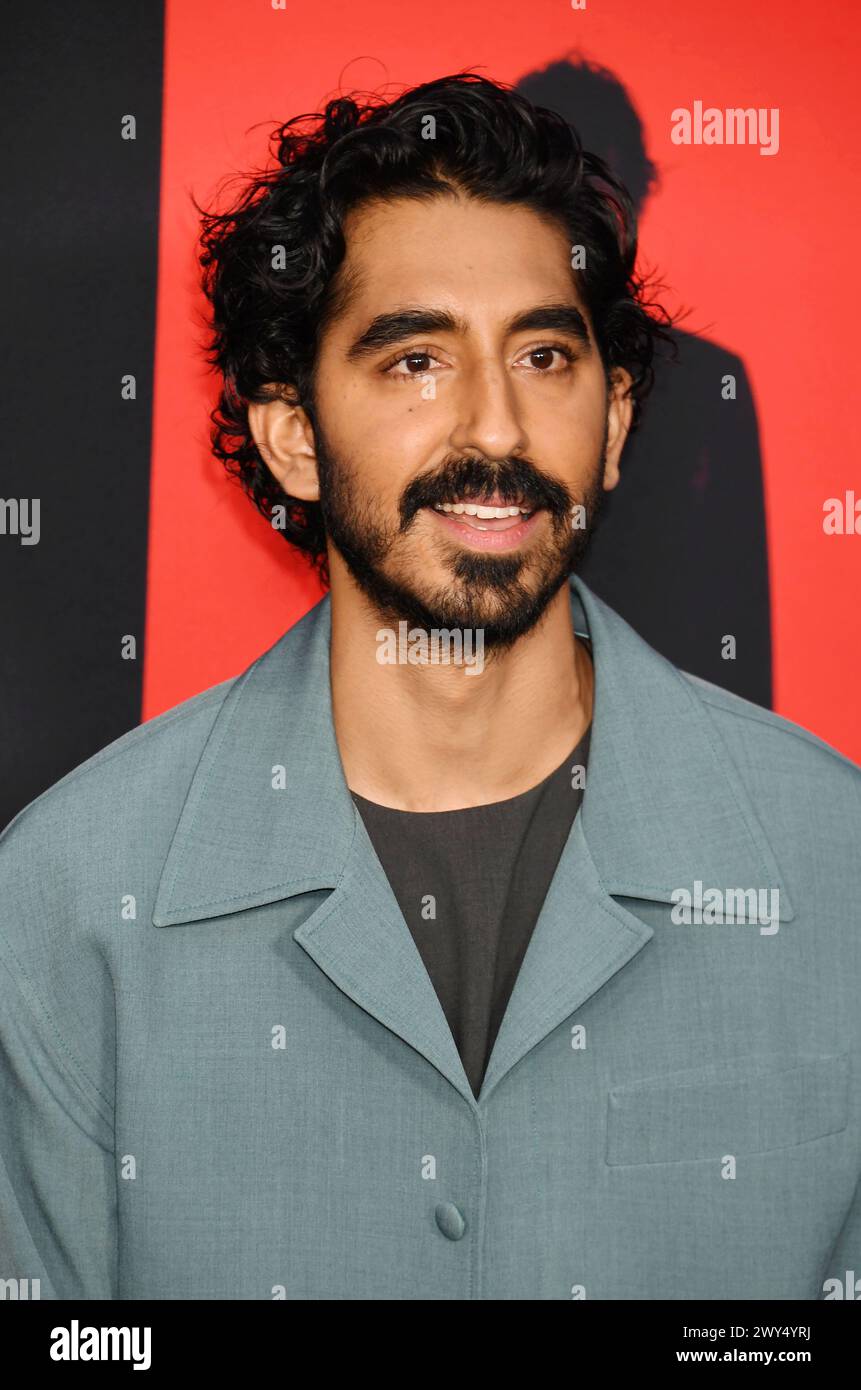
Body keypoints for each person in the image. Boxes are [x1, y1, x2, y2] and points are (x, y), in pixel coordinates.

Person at [0, 72, 858, 1301]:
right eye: (414, 361)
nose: (494, 431)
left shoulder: (834, 864)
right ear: (294, 433)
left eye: (545, 355)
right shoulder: (69, 901)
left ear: (614, 422)